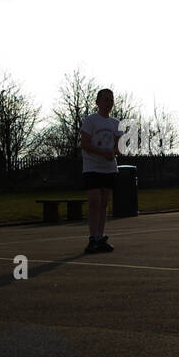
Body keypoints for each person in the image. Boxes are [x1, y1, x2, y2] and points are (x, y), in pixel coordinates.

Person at [79, 89, 120, 254]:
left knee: (104, 202)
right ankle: (93, 237)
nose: (108, 103)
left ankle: (100, 236)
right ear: (97, 102)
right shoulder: (90, 120)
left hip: (109, 168)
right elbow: (85, 143)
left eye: (111, 100)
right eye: (105, 100)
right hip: (92, 166)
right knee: (94, 201)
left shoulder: (116, 123)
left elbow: (119, 146)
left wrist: (114, 152)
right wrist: (101, 152)